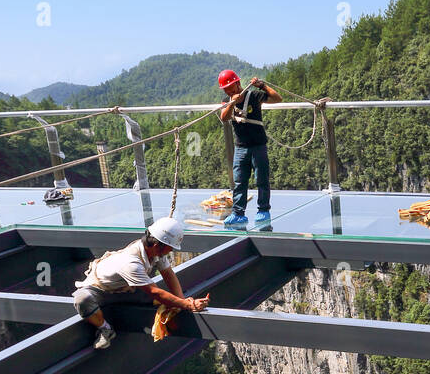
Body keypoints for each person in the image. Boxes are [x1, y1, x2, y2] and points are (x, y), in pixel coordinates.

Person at [71, 216, 208, 350]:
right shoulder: (131, 262)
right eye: (170, 247)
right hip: (101, 290)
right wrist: (187, 305)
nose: (171, 251)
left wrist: (182, 302)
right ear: (157, 245)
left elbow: (168, 274)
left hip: (126, 289)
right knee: (83, 299)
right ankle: (105, 329)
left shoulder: (154, 252)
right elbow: (155, 292)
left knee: (169, 301)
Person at [217, 69, 282, 226]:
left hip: (258, 145)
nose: (227, 90)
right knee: (239, 181)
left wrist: (263, 86)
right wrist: (232, 101)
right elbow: (224, 117)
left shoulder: (253, 96)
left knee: (262, 179)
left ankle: (263, 211)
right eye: (225, 88)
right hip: (241, 147)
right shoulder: (226, 100)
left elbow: (277, 99)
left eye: (230, 87)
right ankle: (238, 213)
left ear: (237, 83)